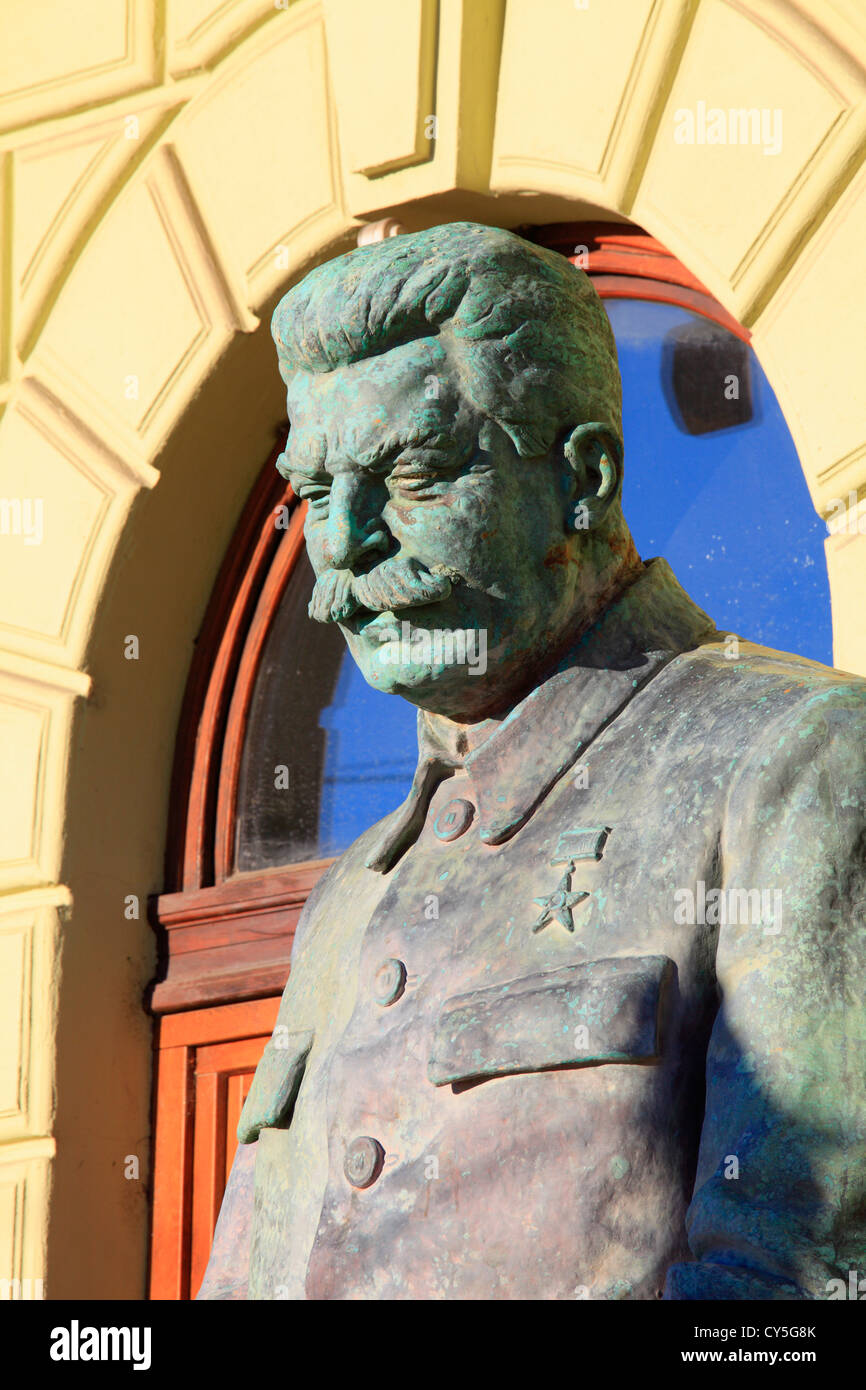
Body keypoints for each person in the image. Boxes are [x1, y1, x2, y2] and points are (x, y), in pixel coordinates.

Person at [199, 222, 866, 1301]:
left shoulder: (793, 764)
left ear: (582, 480)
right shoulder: (349, 896)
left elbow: (803, 1280)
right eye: (317, 494)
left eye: (411, 472)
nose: (343, 542)